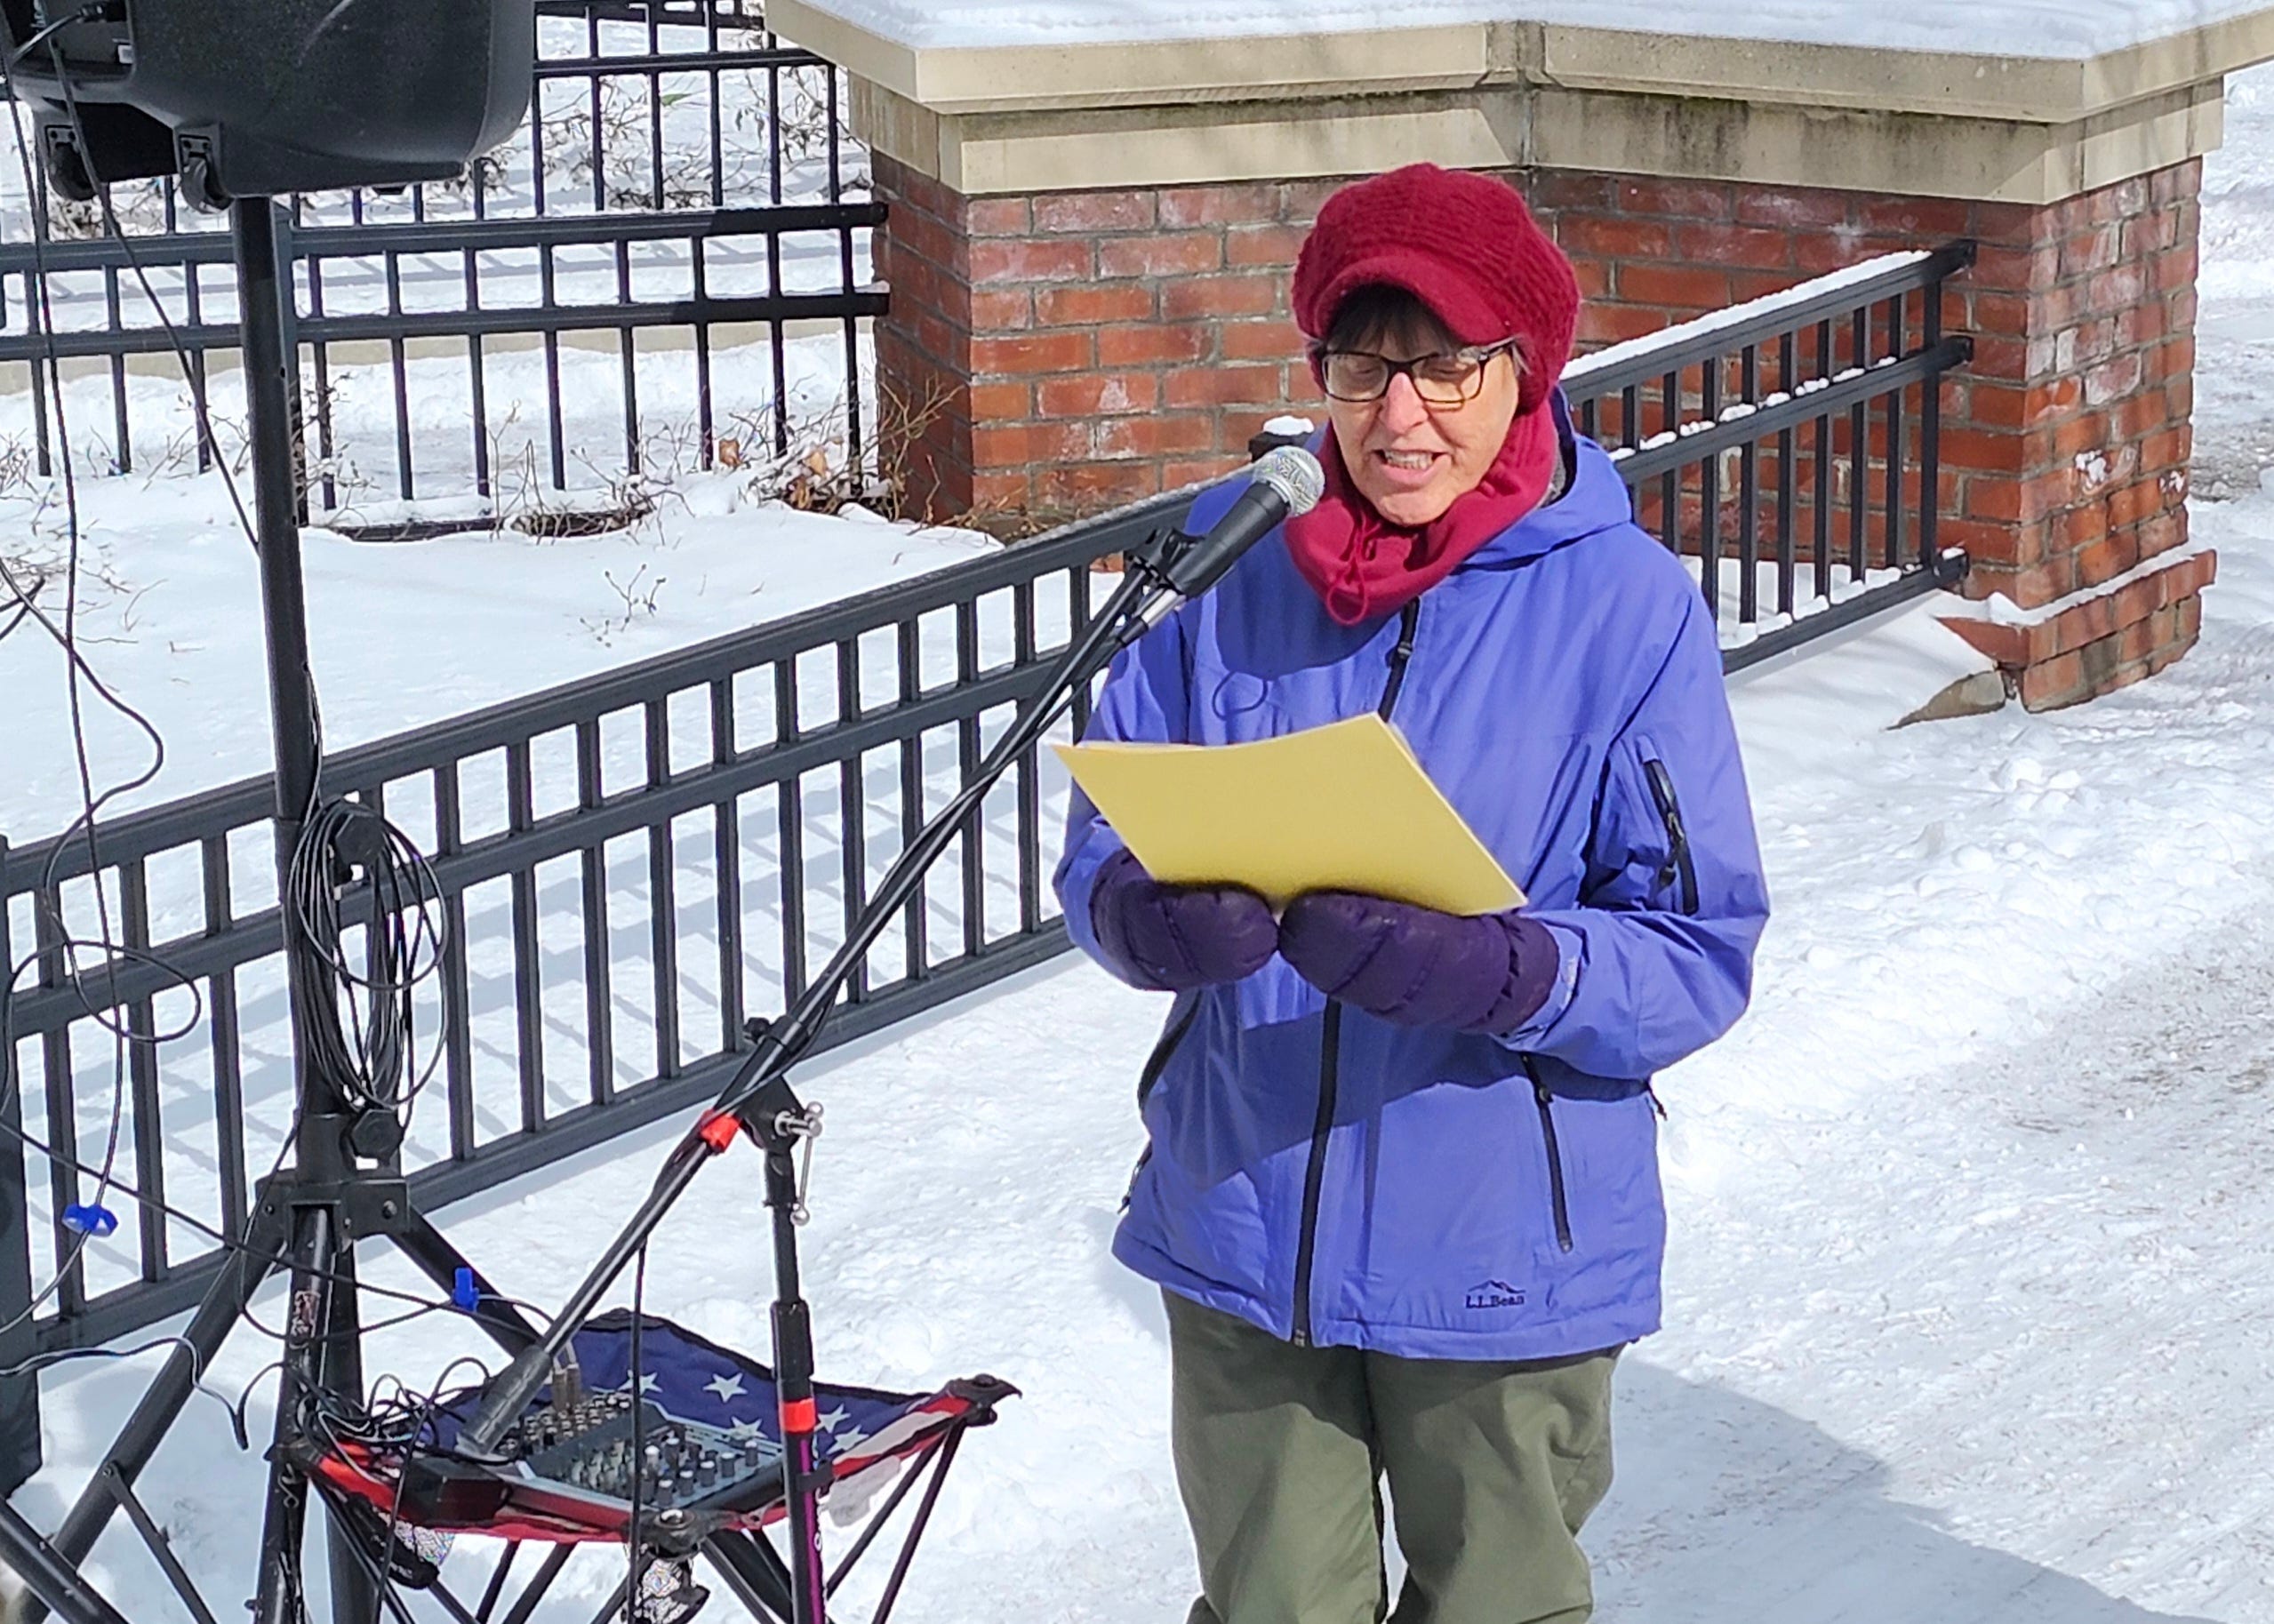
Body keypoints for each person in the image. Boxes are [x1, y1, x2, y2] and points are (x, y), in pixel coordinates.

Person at [1053, 163, 1771, 1624]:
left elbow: (1695, 952)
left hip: (1499, 1246)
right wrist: (1133, 911)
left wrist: (1508, 974)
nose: (1398, 416)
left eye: (1447, 367)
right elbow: (1108, 825)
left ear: (1526, 370)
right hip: (1240, 1214)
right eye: (1362, 366)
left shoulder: (1623, 610)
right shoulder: (1226, 562)